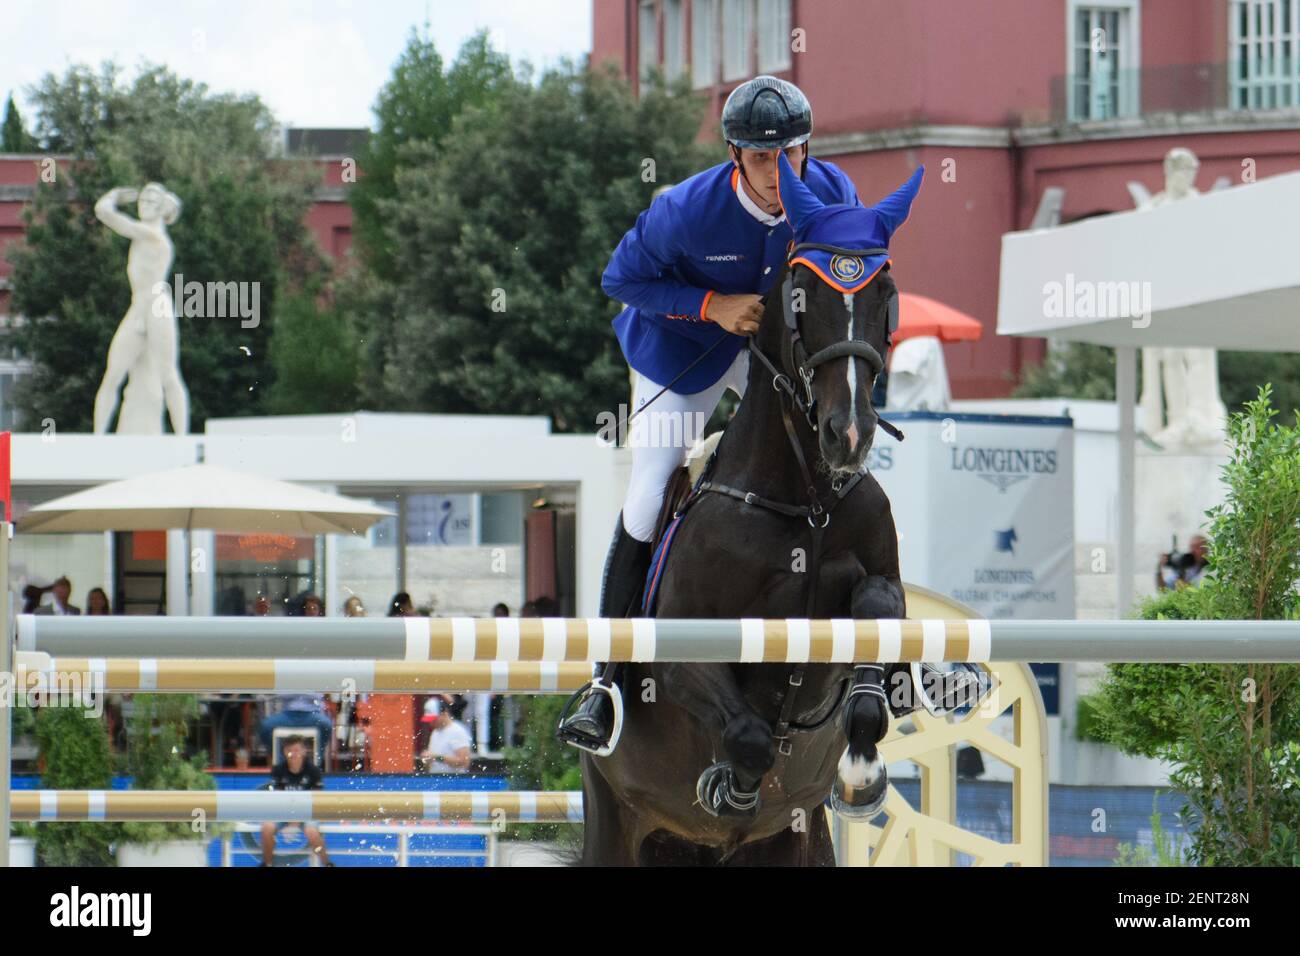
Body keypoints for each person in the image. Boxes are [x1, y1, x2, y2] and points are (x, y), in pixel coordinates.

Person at [558, 75, 864, 753]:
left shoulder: (835, 191)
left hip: (764, 351)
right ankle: (606, 683)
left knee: (829, 464)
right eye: (763, 158)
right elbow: (621, 280)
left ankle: (888, 650)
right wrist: (711, 307)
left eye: (793, 153)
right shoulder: (685, 211)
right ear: (734, 155)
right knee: (648, 491)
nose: (781, 172)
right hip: (680, 354)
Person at [259, 735, 333, 867]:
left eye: (297, 750)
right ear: (284, 752)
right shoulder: (278, 770)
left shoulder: (313, 771)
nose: (294, 753)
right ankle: (267, 863)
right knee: (266, 828)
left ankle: (327, 863)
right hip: (283, 813)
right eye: (290, 750)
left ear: (304, 751)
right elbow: (277, 798)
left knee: (312, 832)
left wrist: (299, 816)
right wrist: (290, 816)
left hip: (307, 813)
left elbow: (317, 799)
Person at [419, 696, 473, 773]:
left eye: (433, 719)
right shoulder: (435, 732)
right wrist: (427, 760)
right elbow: (432, 761)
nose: (431, 723)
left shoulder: (457, 731)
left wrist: (437, 758)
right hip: (436, 780)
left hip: (453, 782)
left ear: (444, 714)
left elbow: (464, 762)